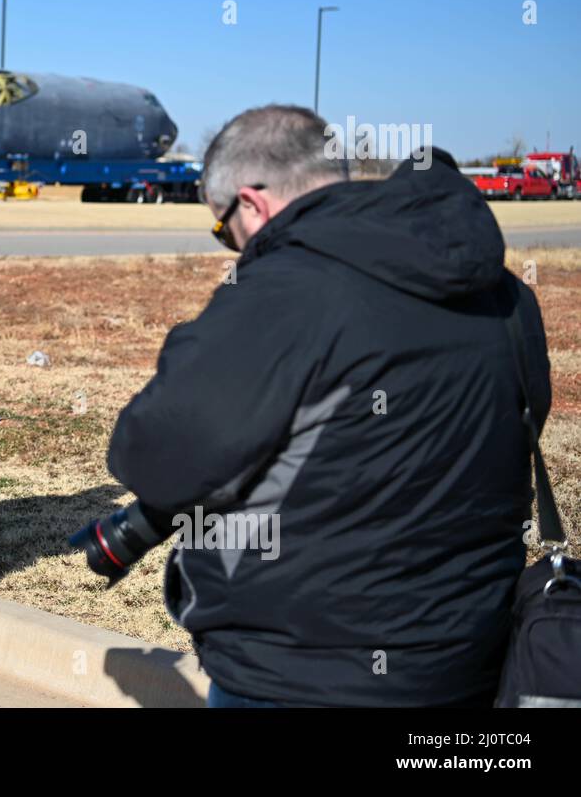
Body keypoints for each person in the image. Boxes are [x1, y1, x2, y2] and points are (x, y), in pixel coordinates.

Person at [107, 105, 550, 707]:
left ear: (253, 203)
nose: (232, 247)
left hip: (300, 672)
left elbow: (154, 456)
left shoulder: (285, 291)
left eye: (222, 229)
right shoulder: (505, 293)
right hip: (470, 660)